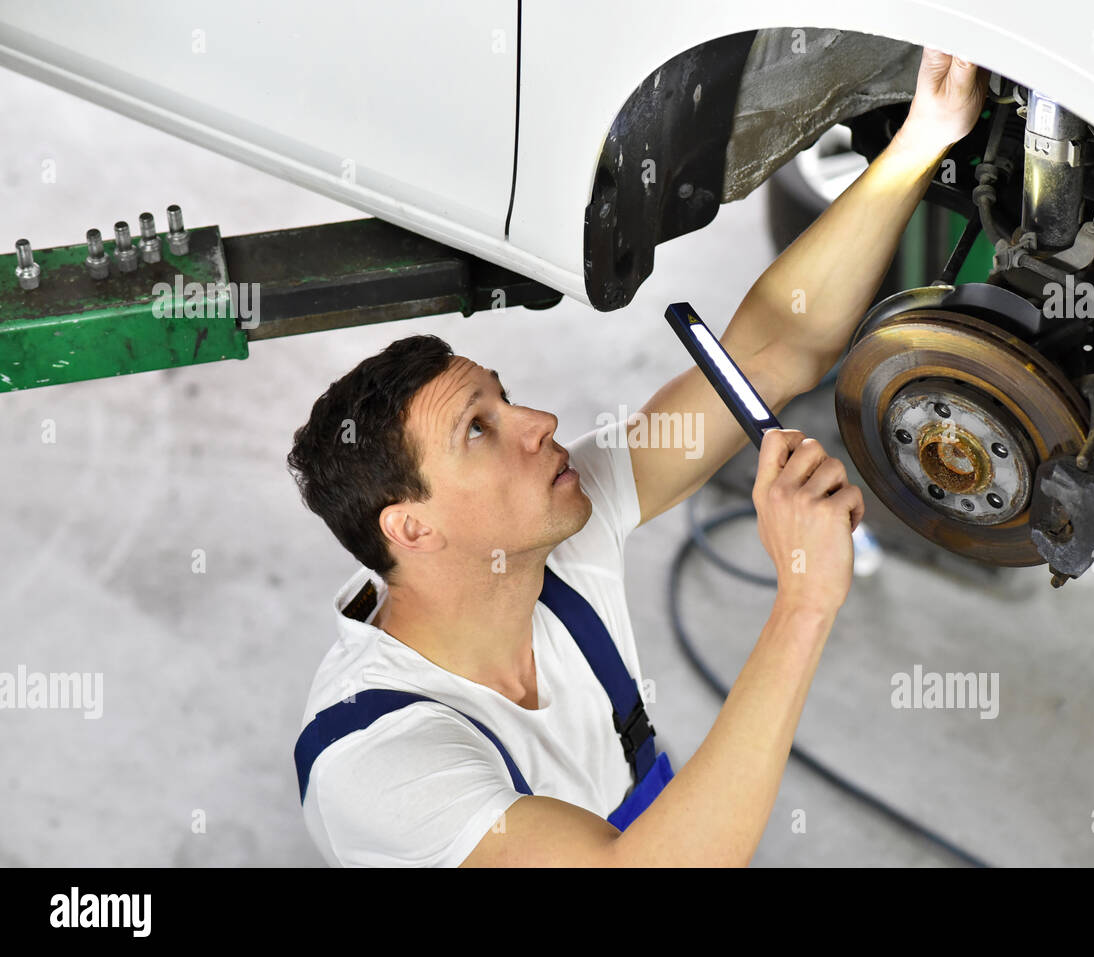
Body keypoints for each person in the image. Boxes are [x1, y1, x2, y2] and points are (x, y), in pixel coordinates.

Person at [286, 48, 986, 867]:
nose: (540, 420)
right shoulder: (378, 756)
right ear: (411, 527)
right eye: (479, 429)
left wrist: (921, 142)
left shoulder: (555, 531)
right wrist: (803, 601)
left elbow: (770, 352)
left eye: (504, 397)